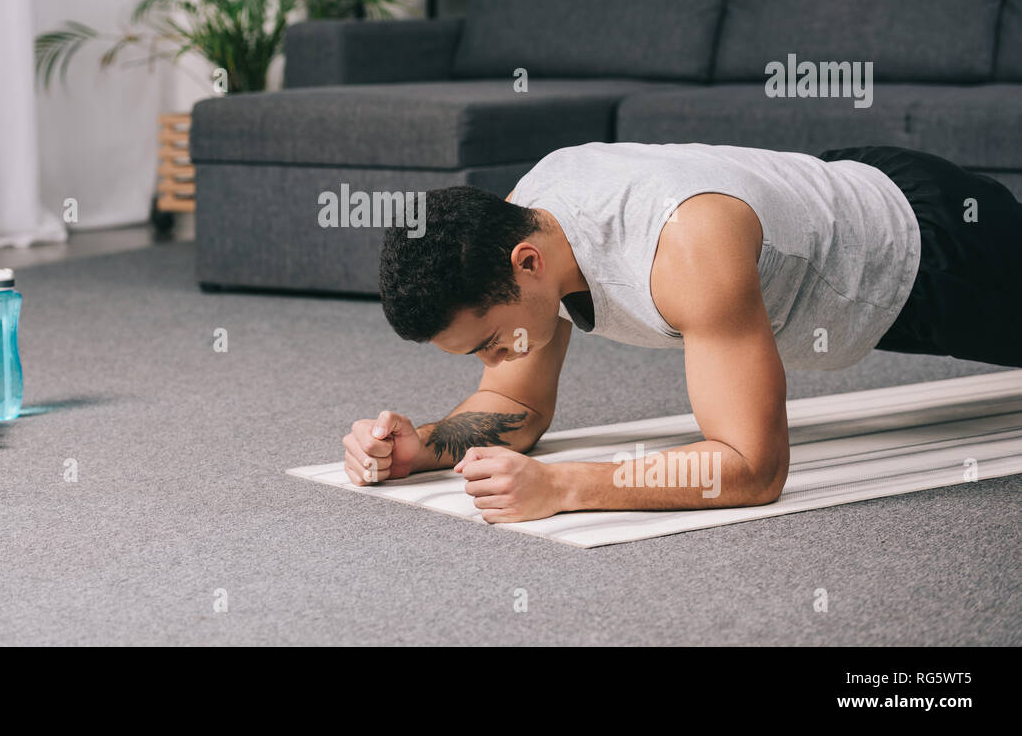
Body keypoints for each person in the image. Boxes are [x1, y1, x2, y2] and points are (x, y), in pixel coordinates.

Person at [343, 142, 1022, 522]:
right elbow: (518, 406)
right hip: (830, 191)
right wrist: (420, 446)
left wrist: (565, 487)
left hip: (930, 253)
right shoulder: (522, 220)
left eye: (491, 342)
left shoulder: (688, 247)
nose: (496, 359)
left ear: (528, 264)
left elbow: (755, 468)